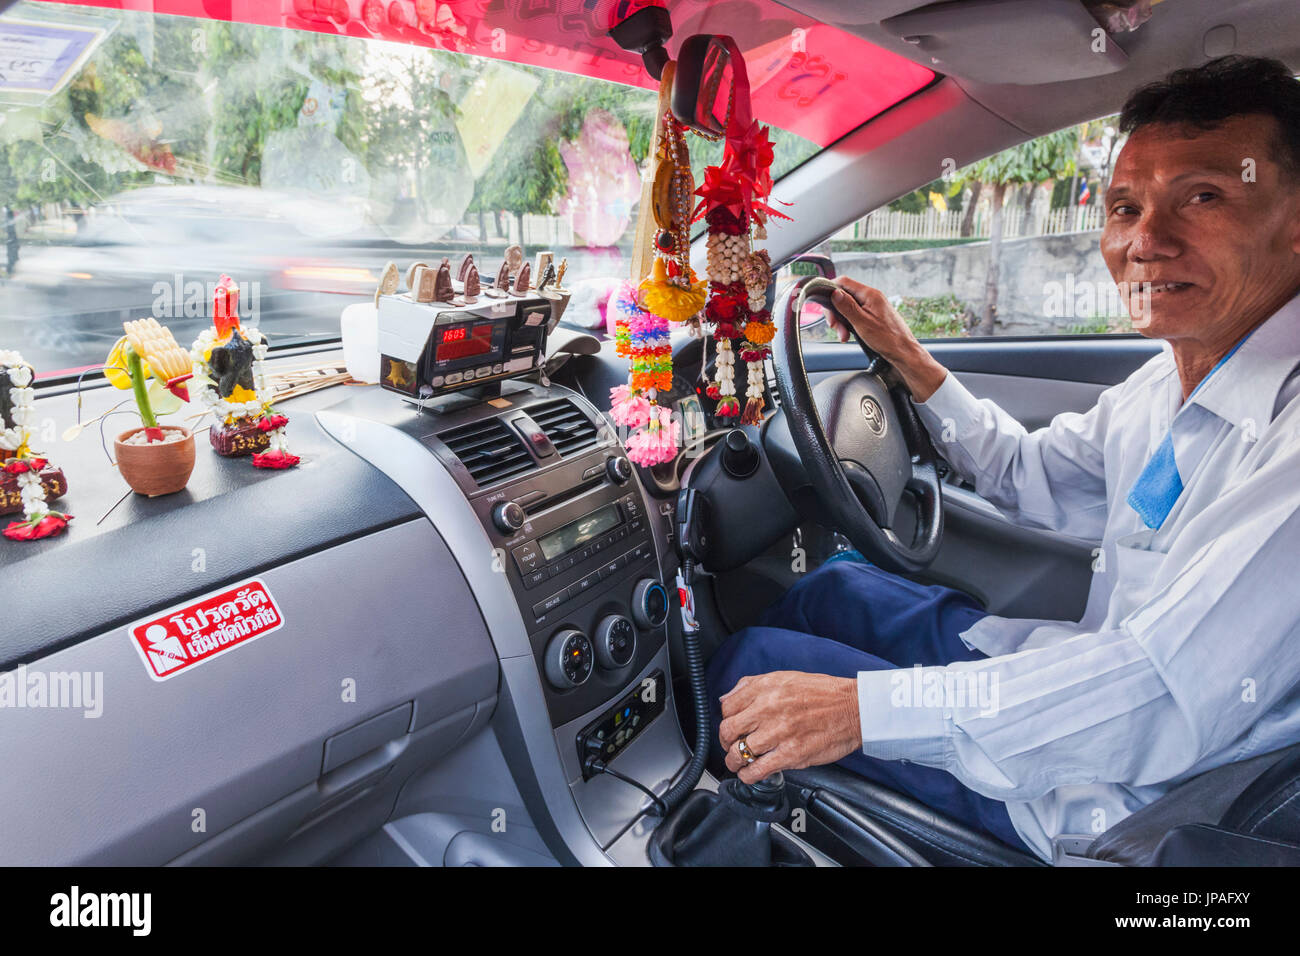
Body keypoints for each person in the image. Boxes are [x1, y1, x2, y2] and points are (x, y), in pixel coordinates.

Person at [707, 55, 1300, 860]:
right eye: (1125, 206)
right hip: (1074, 684)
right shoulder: (1175, 377)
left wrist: (856, 713)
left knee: (755, 665)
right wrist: (912, 362)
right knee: (836, 583)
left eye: (1204, 197)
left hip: (1108, 792)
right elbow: (1035, 476)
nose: (1146, 241)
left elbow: (1156, 692)